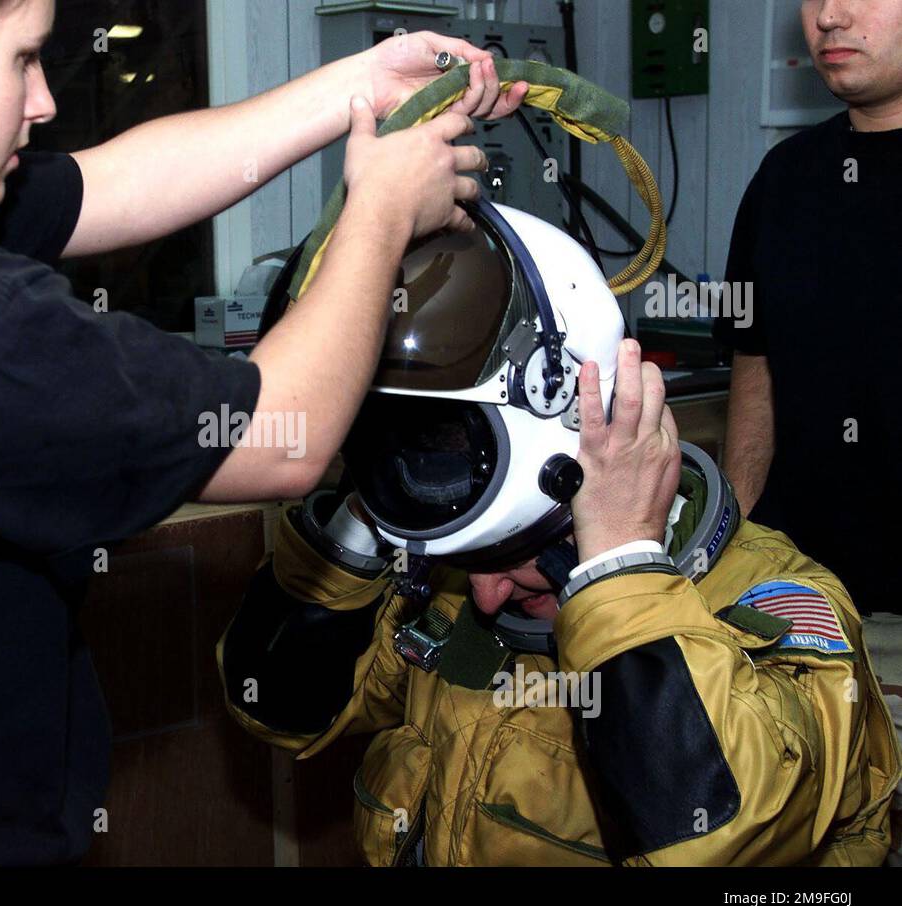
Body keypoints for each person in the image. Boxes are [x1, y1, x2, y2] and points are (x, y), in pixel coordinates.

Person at [0, 0, 527, 865]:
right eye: (23, 59)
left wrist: (358, 86)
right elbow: (283, 434)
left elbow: (109, 182)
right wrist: (377, 214)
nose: (45, 100)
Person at [219, 202, 901, 864]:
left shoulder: (772, 607)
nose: (483, 595)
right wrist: (374, 499)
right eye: (467, 559)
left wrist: (618, 564)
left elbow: (711, 835)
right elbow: (281, 709)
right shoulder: (458, 592)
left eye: (516, 556)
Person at [716, 0, 902, 762]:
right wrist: (732, 544)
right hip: (797, 602)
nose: (829, 15)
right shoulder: (785, 177)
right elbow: (754, 370)